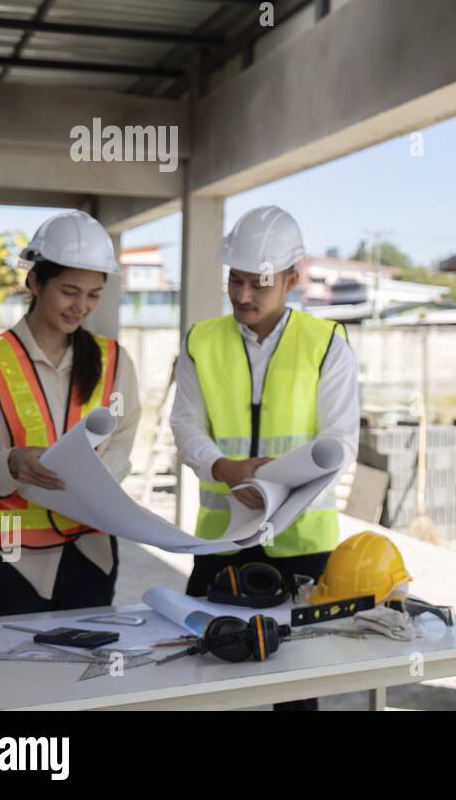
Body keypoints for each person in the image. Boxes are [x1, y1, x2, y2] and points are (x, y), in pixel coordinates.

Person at [171, 205, 359, 710]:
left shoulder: (326, 344)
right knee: (200, 675)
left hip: (302, 547)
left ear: (292, 279)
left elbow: (340, 444)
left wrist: (276, 495)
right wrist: (224, 469)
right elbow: (185, 423)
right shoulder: (200, 341)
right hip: (221, 542)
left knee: (296, 686)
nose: (243, 295)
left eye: (259, 283)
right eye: (235, 281)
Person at [0, 210, 140, 619]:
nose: (81, 306)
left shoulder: (113, 359)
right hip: (9, 557)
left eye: (94, 294)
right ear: (34, 282)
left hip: (91, 554)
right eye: (69, 291)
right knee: (2, 678)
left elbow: (122, 444)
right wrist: (10, 463)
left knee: (82, 675)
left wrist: (98, 480)